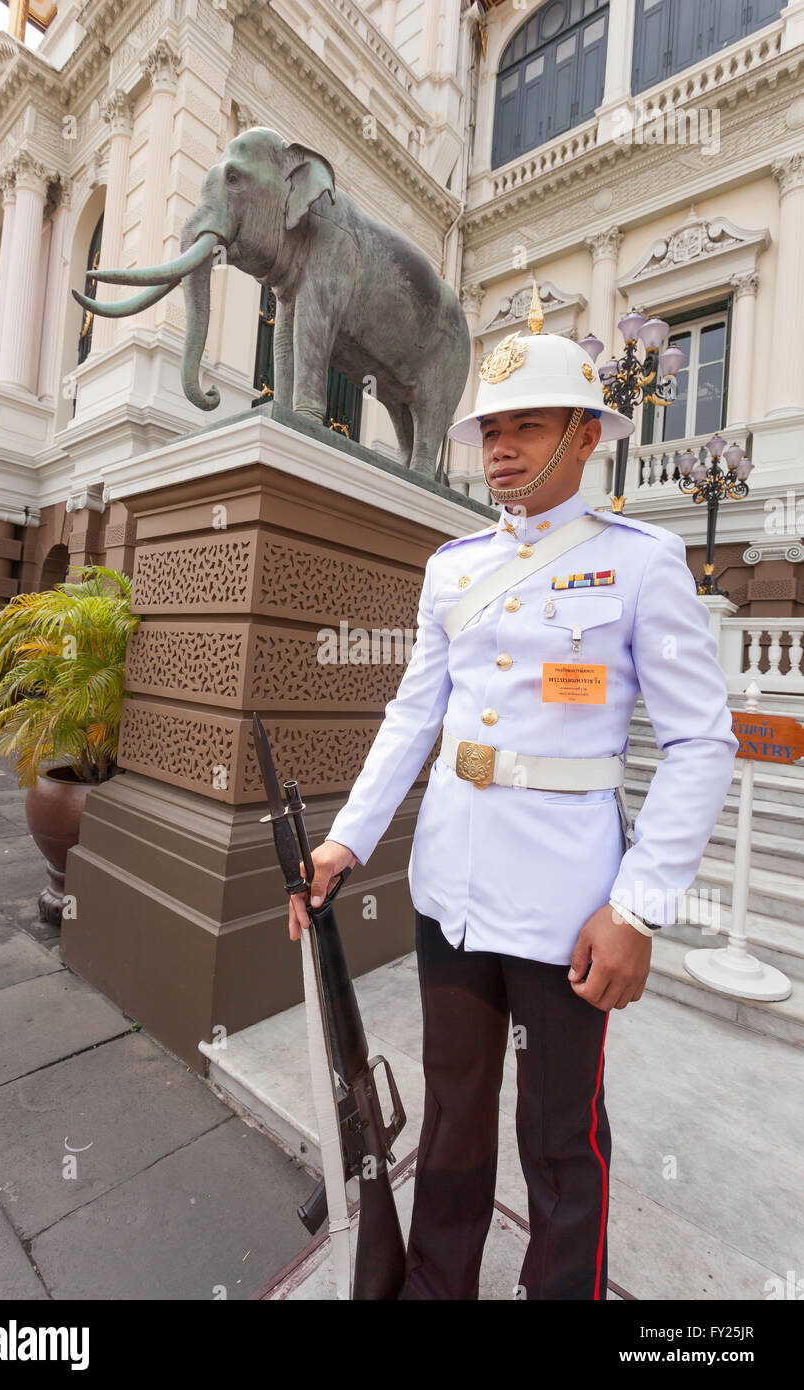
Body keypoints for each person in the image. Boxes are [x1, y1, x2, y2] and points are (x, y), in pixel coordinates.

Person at [287, 303, 738, 1300]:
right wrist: (345, 843)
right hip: (450, 887)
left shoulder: (639, 561)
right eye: (489, 428)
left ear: (585, 435)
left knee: (559, 1137)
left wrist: (635, 907)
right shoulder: (451, 568)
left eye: (524, 425)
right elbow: (412, 718)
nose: (498, 447)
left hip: (566, 906)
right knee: (452, 1109)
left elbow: (700, 745)